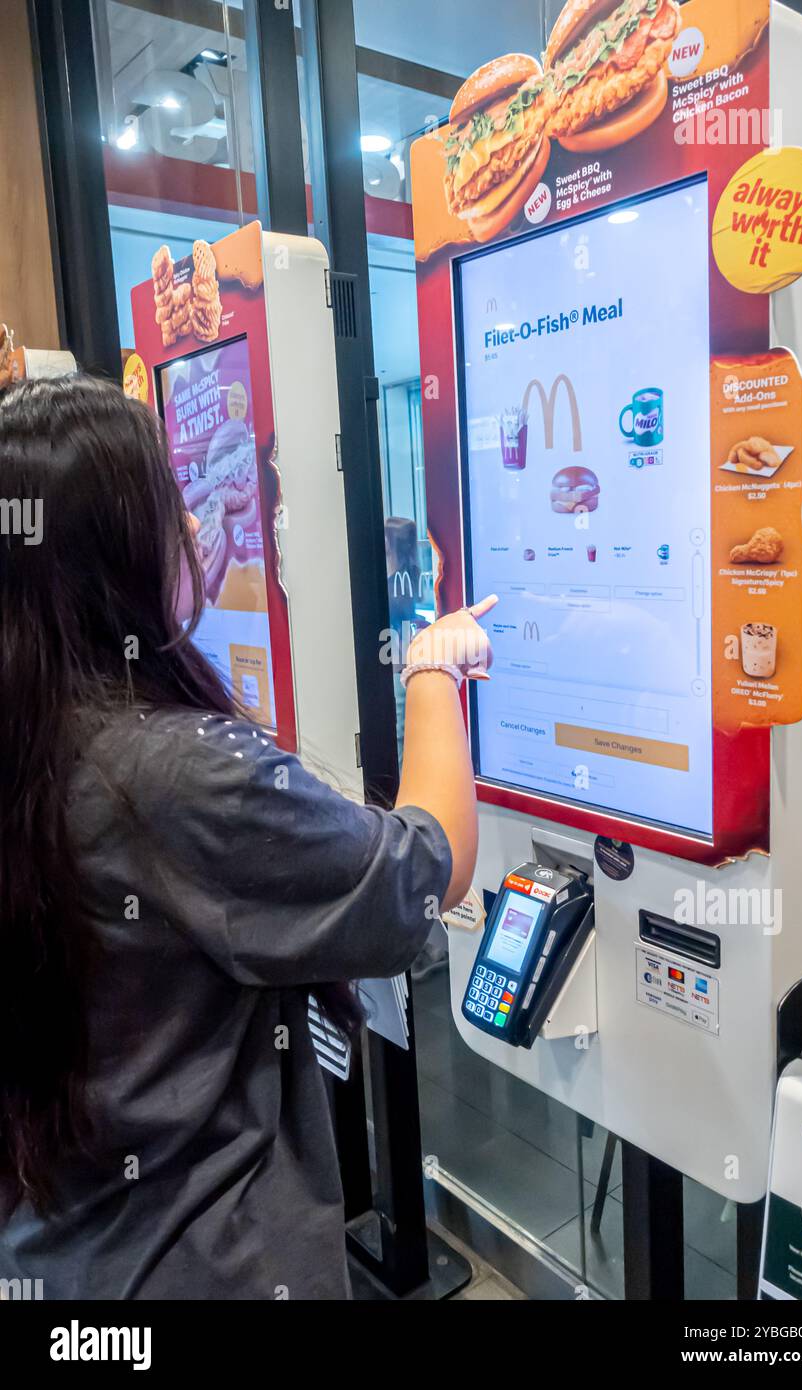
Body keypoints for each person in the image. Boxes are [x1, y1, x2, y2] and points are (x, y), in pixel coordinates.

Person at [0, 375, 495, 1300]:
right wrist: (434, 669)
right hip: (203, 1261)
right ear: (112, 551)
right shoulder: (173, 775)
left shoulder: (41, 739)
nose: (194, 529)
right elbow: (422, 870)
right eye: (171, 505)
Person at [384, 515, 422, 763]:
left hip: (396, 656)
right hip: (398, 655)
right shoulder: (407, 574)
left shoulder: (394, 582)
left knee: (398, 732)